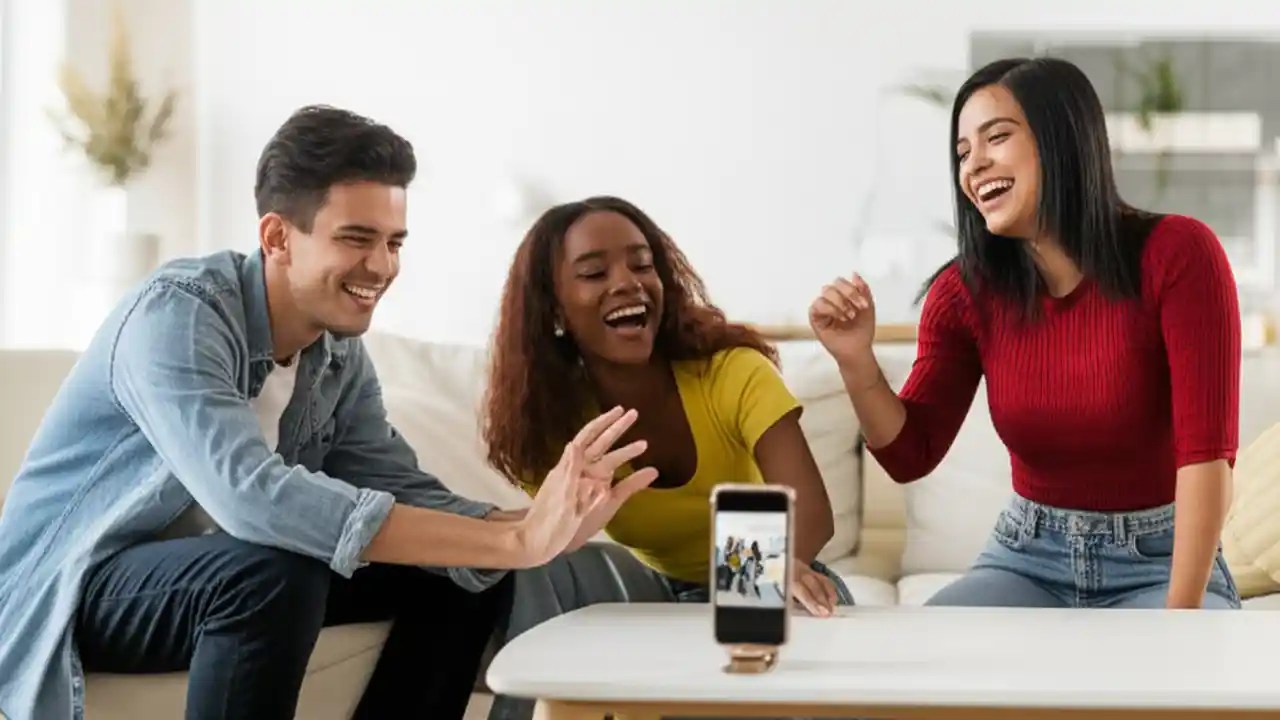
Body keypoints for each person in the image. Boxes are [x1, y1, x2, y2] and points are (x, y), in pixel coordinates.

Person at [0, 106, 654, 720]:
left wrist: (534, 524)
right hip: (82, 587)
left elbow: (402, 490)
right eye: (357, 239)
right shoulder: (178, 315)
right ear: (277, 236)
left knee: (459, 573)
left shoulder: (338, 356)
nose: (383, 265)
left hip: (217, 576)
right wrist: (512, 540)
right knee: (269, 568)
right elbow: (251, 499)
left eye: (395, 241)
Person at [809, 56, 1242, 611]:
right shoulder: (963, 292)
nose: (974, 165)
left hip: (1161, 558)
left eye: (997, 138)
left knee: (1165, 689)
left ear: (1062, 139)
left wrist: (1178, 623)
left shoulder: (1179, 255)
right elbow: (909, 454)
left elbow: (1206, 459)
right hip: (1029, 557)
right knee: (915, 683)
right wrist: (856, 362)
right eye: (963, 153)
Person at [481, 196, 854, 720]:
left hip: (772, 577)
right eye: (593, 272)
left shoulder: (731, 373)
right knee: (531, 562)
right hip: (656, 591)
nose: (628, 282)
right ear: (555, 309)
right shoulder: (555, 420)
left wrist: (757, 580)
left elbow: (812, 516)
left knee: (765, 614)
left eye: (642, 264)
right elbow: (551, 538)